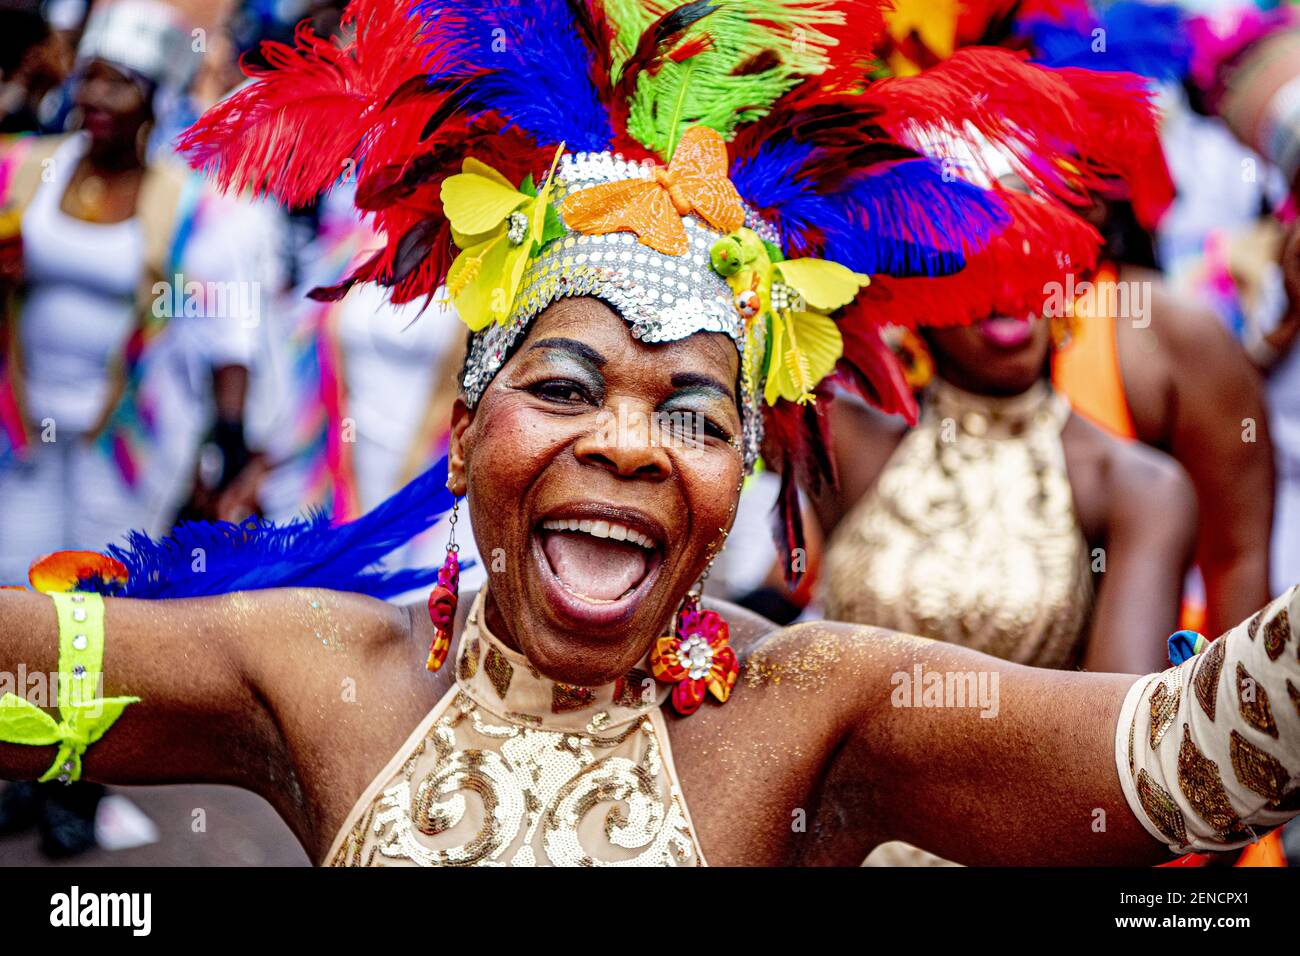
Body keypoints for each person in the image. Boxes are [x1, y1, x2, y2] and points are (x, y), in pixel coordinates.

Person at [2, 0, 1298, 868]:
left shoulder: (807, 707)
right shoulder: (315, 664)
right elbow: (22, 676)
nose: (628, 443)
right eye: (563, 388)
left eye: (691, 411)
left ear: (738, 481)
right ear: (461, 438)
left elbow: (1180, 758)